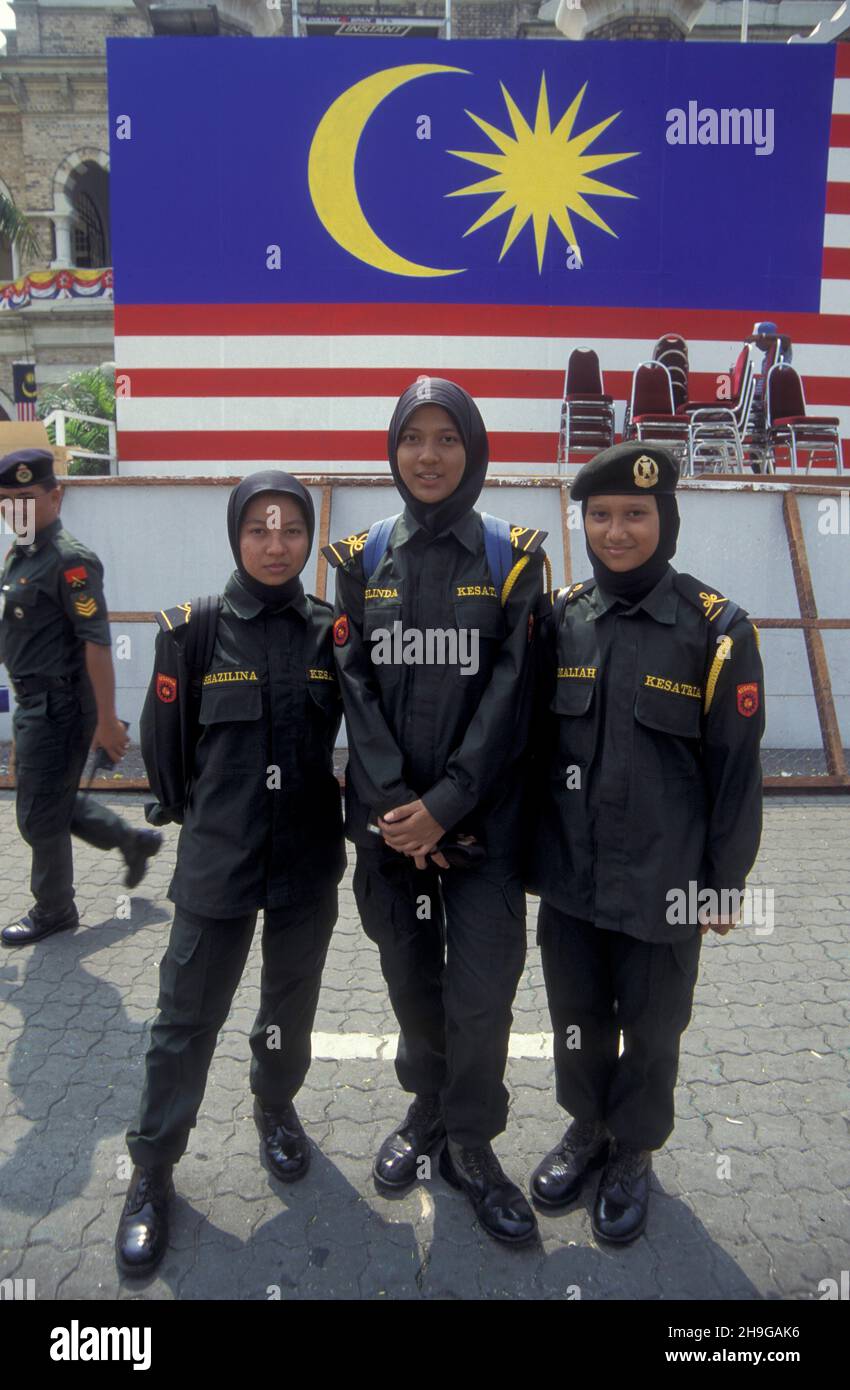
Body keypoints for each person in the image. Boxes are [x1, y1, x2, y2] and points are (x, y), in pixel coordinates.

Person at [323, 378, 549, 1246]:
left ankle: (472, 1145)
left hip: (483, 829)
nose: (427, 455)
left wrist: (447, 803)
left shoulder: (515, 557)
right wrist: (398, 812)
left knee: (484, 989)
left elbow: (511, 694)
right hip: (390, 835)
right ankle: (427, 1112)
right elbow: (356, 688)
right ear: (392, 449)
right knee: (411, 981)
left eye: (445, 438)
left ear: (473, 449)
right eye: (412, 438)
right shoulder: (357, 558)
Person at [525, 441, 765, 1244]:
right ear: (583, 522)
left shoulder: (718, 630)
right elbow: (528, 748)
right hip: (573, 877)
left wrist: (725, 882)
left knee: (655, 1028)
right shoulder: (562, 619)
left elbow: (736, 770)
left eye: (635, 514)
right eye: (600, 515)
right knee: (576, 1018)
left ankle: (633, 1151)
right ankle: (587, 1128)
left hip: (666, 882)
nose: (617, 531)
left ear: (666, 521)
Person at [115, 471, 345, 1278]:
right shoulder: (193, 630)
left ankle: (275, 1107)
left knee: (291, 1001)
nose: (276, 544)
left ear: (308, 538)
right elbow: (167, 759)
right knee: (185, 1017)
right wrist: (207, 818)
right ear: (235, 537)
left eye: (290, 530)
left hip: (308, 859)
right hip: (219, 858)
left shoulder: (330, 632)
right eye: (259, 530)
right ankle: (152, 1169)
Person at [0, 448, 161, 948]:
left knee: (37, 814)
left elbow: (96, 642)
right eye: (5, 502)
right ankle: (133, 841)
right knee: (53, 802)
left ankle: (54, 908)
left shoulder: (70, 560)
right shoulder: (20, 554)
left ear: (56, 495)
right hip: (31, 702)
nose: (14, 511)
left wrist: (108, 721)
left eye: (25, 499)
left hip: (61, 706)